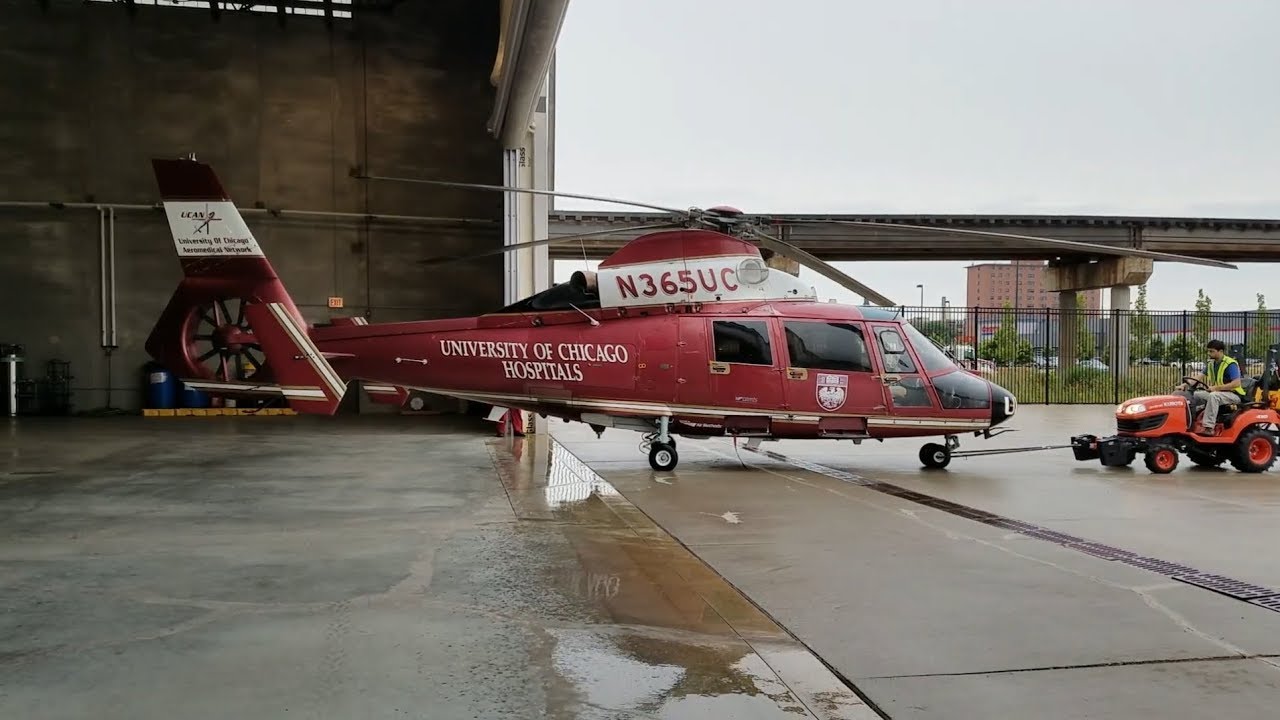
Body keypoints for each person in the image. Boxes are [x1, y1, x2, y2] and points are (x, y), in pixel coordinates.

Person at [1176, 339, 1246, 435]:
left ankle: (1208, 428)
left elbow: (1236, 384)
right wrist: (1185, 385)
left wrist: (1216, 388)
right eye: (1208, 351)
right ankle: (1190, 422)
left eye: (1212, 351)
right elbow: (1198, 377)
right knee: (1194, 395)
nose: (1209, 353)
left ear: (1220, 351)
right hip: (1217, 393)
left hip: (1233, 395)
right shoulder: (1211, 364)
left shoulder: (1230, 364)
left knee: (1214, 396)